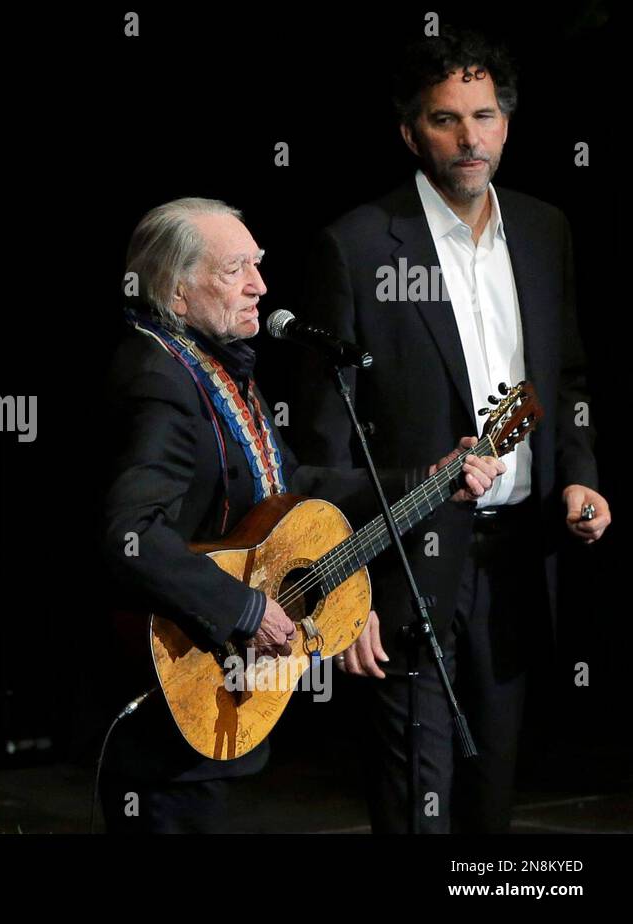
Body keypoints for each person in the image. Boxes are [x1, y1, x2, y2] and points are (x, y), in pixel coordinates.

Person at [98, 196, 504, 833]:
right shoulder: (160, 381)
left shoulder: (211, 367)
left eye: (257, 266)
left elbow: (293, 484)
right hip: (178, 676)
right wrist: (249, 611)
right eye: (235, 271)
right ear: (177, 294)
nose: (260, 286)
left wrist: (422, 480)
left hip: (215, 686)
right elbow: (129, 536)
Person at [292, 28, 610, 833]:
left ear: (507, 122)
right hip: (404, 566)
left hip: (515, 562)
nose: (470, 137)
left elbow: (563, 380)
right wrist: (342, 586)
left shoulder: (544, 231)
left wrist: (579, 474)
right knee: (413, 807)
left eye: (485, 114)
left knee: (489, 806)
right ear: (410, 132)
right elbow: (326, 445)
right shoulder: (358, 246)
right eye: (446, 119)